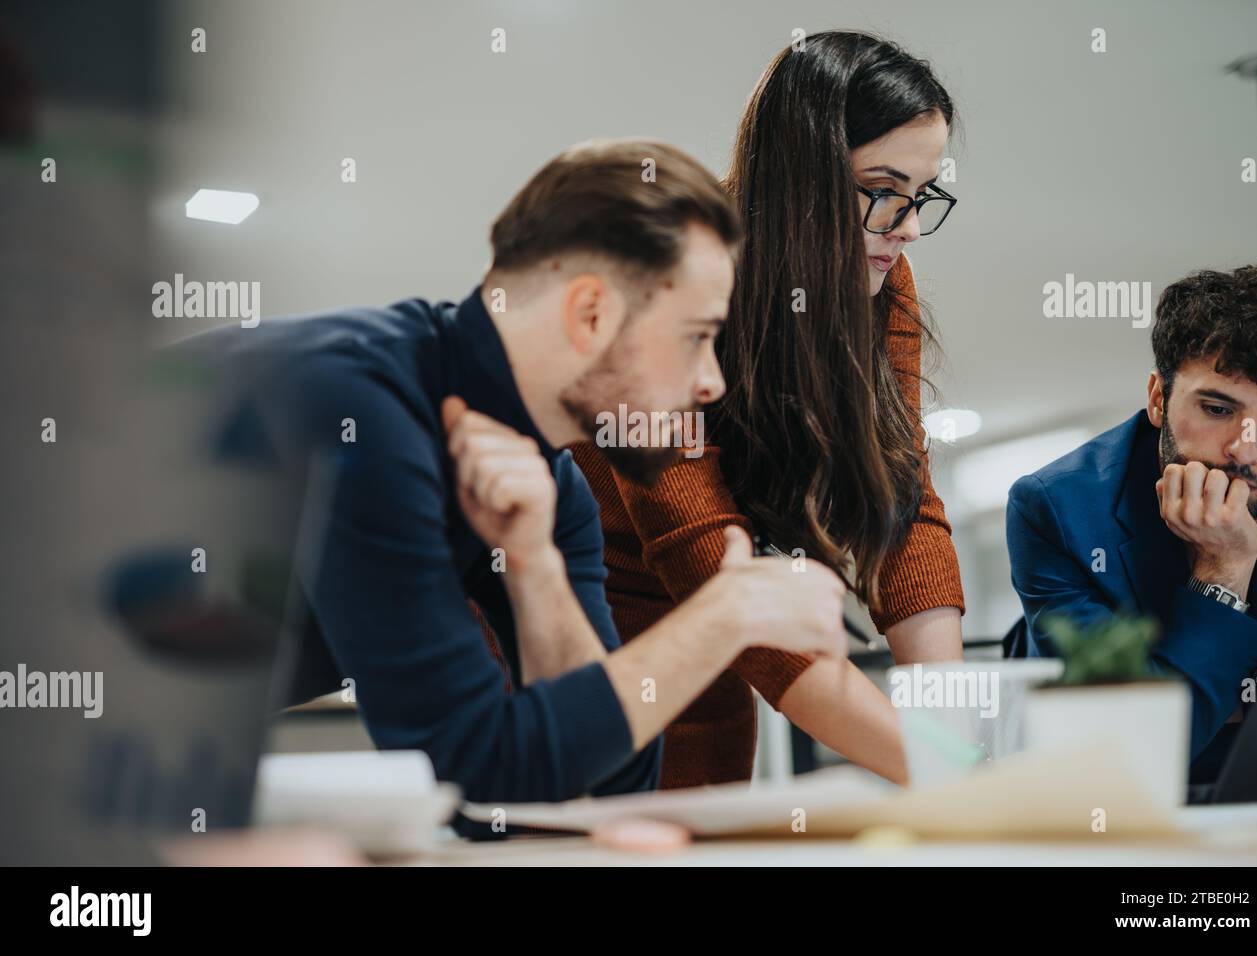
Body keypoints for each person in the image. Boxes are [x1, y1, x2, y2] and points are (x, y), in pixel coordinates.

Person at [181, 139, 851, 807]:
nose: (713, 383)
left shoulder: (551, 492)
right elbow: (474, 770)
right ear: (590, 314)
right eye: (697, 337)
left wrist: (535, 569)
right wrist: (724, 618)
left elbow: (604, 782)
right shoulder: (358, 406)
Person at [572, 30, 966, 788]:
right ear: (802, 178)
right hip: (573, 638)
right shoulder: (660, 292)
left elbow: (903, 507)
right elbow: (713, 564)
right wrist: (951, 777)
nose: (907, 227)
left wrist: (948, 728)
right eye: (883, 190)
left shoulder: (881, 286)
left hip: (709, 650)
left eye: (919, 196)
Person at [1007, 264, 1257, 781]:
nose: (1244, 450)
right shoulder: (1055, 509)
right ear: (1158, 399)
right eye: (1216, 408)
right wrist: (1224, 570)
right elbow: (1131, 750)